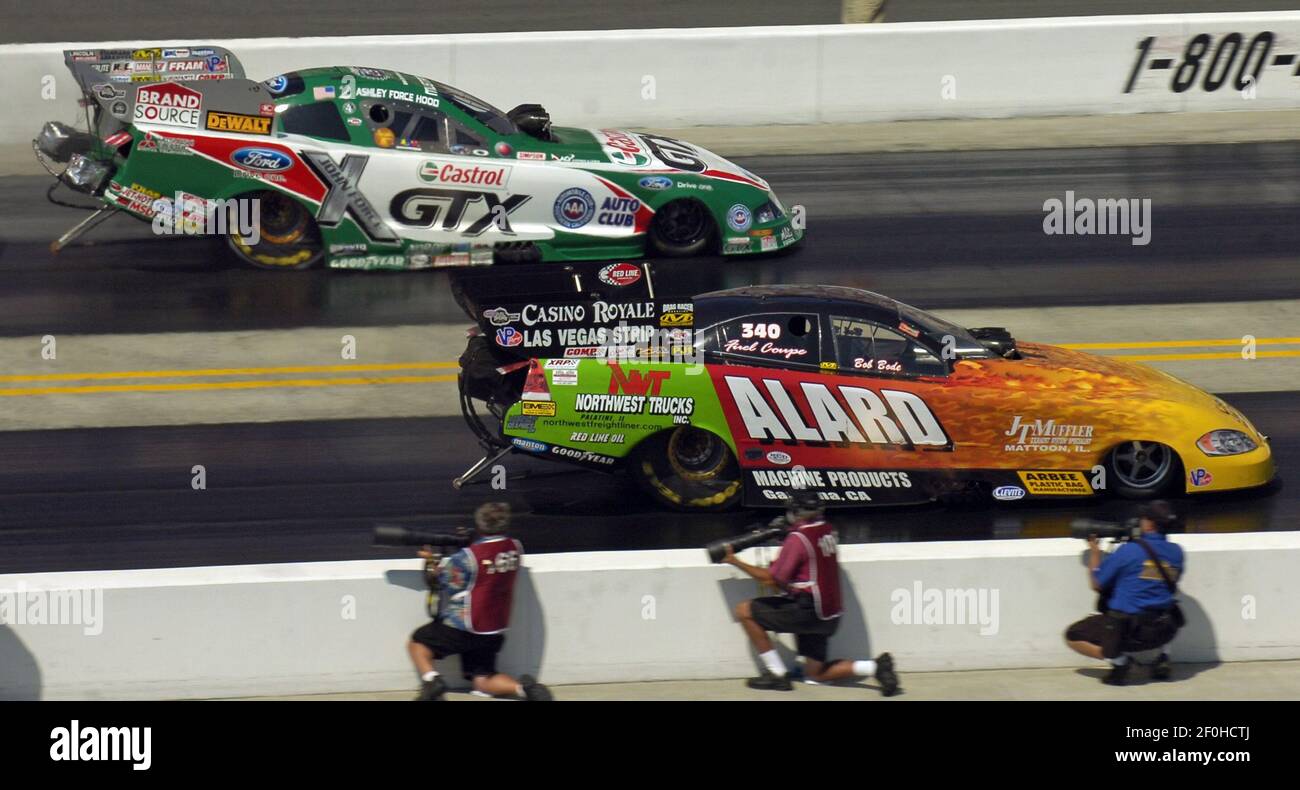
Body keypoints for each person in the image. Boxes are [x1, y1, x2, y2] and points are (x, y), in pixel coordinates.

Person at [724, 492, 900, 696]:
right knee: (815, 674)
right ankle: (875, 667)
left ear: (796, 512)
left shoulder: (798, 538)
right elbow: (808, 560)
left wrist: (733, 560)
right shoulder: (828, 530)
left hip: (807, 610)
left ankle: (776, 674)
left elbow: (771, 579)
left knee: (744, 611)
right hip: (829, 615)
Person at [407, 502, 552, 701]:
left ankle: (432, 681)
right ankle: (525, 690)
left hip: (463, 626)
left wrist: (431, 560)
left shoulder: (468, 557)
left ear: (479, 525)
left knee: (417, 642)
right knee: (483, 681)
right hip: (493, 628)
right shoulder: (515, 548)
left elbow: (442, 581)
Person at [1065, 500, 1186, 685]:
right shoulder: (1177, 553)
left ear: (1150, 524)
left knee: (1072, 636)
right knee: (1164, 602)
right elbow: (1154, 578)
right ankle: (1163, 657)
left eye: (1144, 517)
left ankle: (1121, 662)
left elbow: (1097, 584)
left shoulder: (1130, 550)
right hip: (1164, 631)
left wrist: (1095, 552)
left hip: (1127, 633)